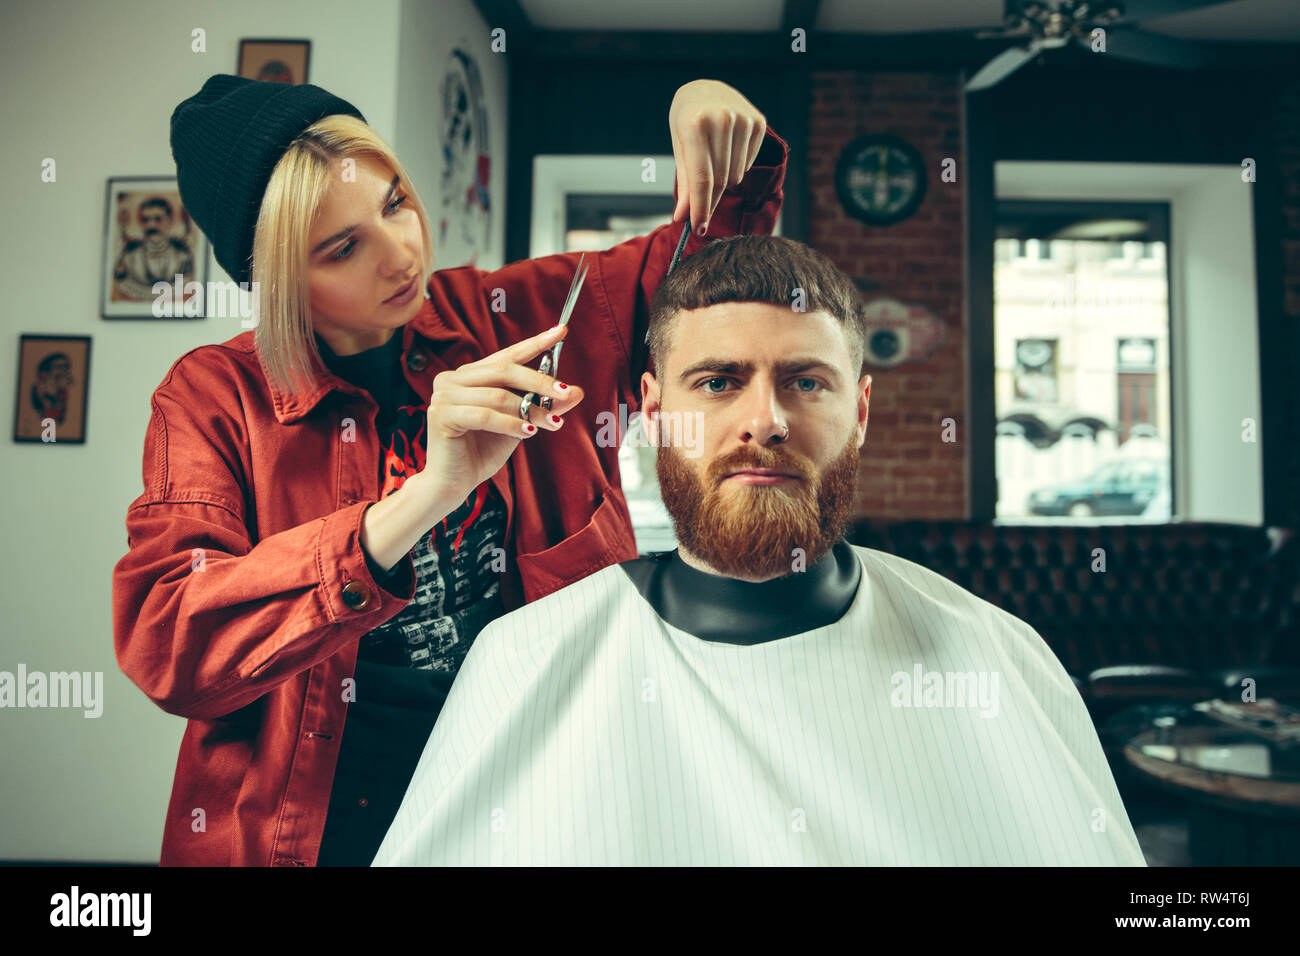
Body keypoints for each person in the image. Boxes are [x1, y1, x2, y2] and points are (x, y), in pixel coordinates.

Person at [110, 73, 788, 866]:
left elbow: (705, 287)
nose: (402, 253)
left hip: (542, 805)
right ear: (279, 282)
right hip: (318, 833)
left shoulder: (520, 316)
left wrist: (711, 118)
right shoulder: (212, 398)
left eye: (394, 202)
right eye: (342, 248)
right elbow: (173, 647)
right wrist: (430, 493)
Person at [373, 235, 1148, 867]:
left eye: (806, 383)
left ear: (862, 411)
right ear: (652, 410)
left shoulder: (997, 655)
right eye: (716, 382)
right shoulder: (524, 660)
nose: (764, 421)